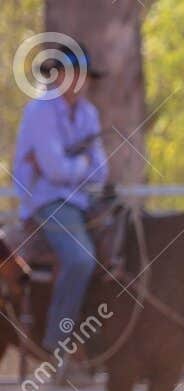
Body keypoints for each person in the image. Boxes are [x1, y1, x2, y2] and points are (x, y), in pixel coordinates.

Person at [12, 47, 107, 359]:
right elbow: (54, 170)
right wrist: (80, 166)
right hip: (46, 201)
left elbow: (101, 171)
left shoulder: (88, 114)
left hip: (81, 200)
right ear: (58, 76)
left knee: (127, 238)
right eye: (74, 74)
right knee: (80, 258)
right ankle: (58, 336)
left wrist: (70, 168)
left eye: (85, 76)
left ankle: (107, 334)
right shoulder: (40, 111)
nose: (81, 82)